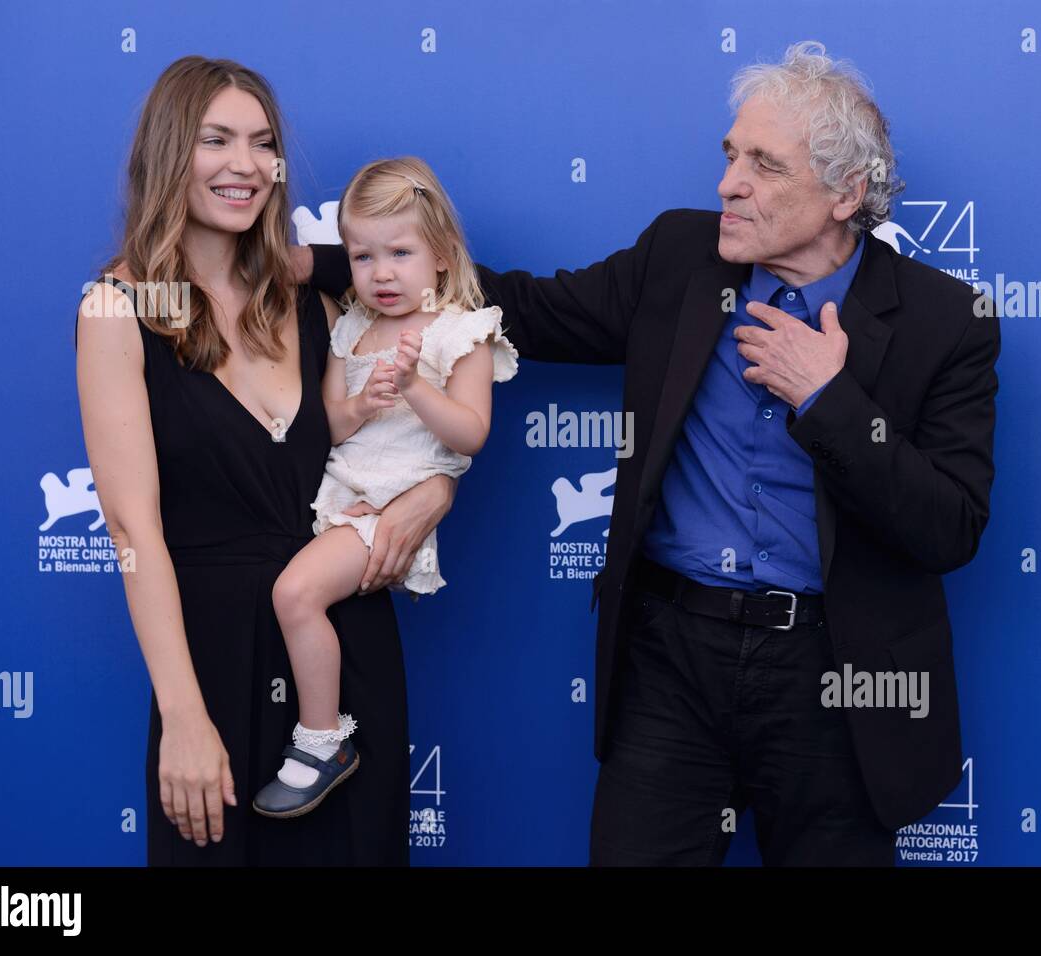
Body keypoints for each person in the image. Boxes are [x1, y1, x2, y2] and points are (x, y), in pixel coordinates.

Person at [302, 40, 1000, 865]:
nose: (727, 183)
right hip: (673, 659)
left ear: (846, 192)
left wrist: (828, 399)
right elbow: (524, 305)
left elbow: (950, 527)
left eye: (763, 166)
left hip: (836, 678)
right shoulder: (680, 256)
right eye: (730, 154)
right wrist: (303, 264)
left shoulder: (945, 321)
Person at [74, 56, 455, 865]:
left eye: (262, 142)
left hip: (344, 660)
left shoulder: (320, 299)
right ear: (170, 152)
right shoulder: (120, 307)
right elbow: (130, 524)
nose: (244, 164)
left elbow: (435, 391)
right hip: (208, 668)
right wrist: (182, 711)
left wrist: (433, 496)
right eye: (217, 140)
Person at [252, 158, 517, 819]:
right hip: (338, 493)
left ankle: (321, 741)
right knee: (286, 595)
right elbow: (329, 423)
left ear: (442, 254)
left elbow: (471, 433)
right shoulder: (350, 327)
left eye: (400, 252)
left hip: (388, 511)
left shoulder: (463, 330)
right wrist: (364, 404)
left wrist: (415, 389)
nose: (381, 272)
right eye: (363, 256)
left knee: (294, 592)